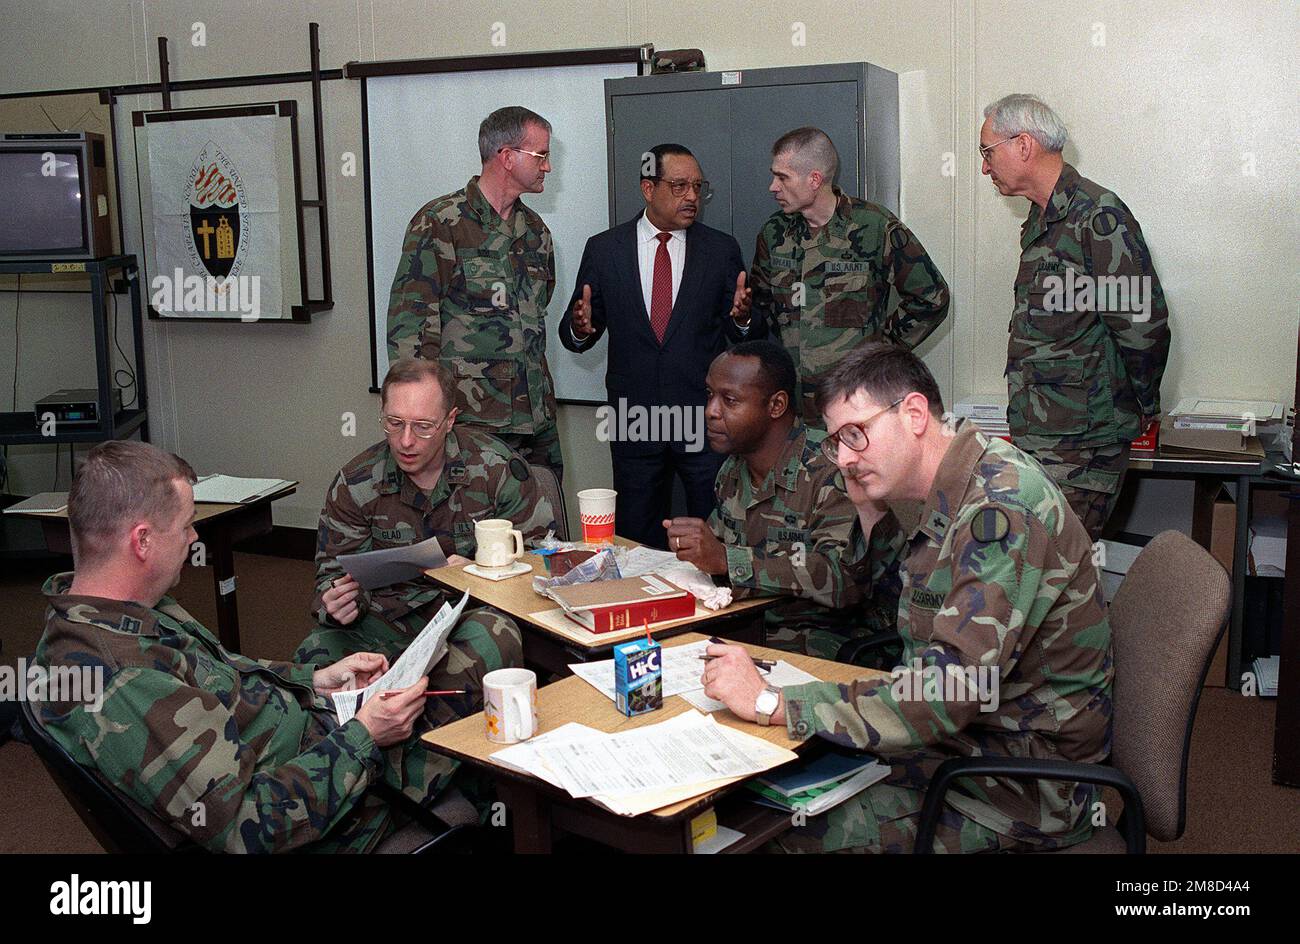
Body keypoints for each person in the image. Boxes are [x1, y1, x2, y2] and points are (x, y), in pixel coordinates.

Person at [701, 343, 1113, 853]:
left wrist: (772, 702)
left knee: (774, 837)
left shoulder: (1000, 512)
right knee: (755, 803)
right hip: (960, 745)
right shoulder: (949, 489)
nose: (844, 459)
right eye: (836, 443)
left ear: (914, 414)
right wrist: (873, 513)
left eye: (856, 435)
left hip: (1015, 788)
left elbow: (948, 692)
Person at [33, 440, 454, 853]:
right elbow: (247, 827)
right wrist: (365, 736)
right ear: (142, 541)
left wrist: (314, 682)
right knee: (468, 737)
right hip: (323, 807)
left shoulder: (111, 611)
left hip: (300, 744)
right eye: (185, 525)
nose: (194, 537)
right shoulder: (125, 680)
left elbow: (219, 671)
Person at [297, 359, 551, 726]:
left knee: (494, 638)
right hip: (386, 619)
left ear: (450, 421)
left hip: (468, 615)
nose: (405, 440)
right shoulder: (356, 483)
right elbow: (329, 575)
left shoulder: (498, 471)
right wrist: (333, 603)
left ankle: (423, 767)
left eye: (423, 426)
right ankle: (349, 754)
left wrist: (479, 575)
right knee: (313, 656)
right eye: (394, 423)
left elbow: (543, 568)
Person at [980, 93, 1171, 539]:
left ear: (1023, 145)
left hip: (1084, 444)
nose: (984, 168)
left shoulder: (1097, 216)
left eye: (988, 152)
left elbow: (1142, 326)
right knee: (1045, 572)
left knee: (1061, 574)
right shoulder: (1041, 220)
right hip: (1042, 434)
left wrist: (1138, 405)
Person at [559, 143, 751, 549]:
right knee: (635, 536)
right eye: (680, 186)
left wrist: (742, 319)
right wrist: (581, 326)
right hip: (635, 417)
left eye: (699, 187)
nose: (692, 197)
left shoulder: (720, 250)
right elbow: (576, 332)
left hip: (702, 416)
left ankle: (715, 607)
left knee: (713, 533)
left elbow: (746, 335)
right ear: (648, 189)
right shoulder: (605, 249)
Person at [663, 340, 900, 660]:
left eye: (729, 400)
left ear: (776, 406)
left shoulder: (833, 469)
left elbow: (844, 580)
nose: (711, 411)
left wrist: (727, 560)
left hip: (830, 636)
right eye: (710, 395)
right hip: (751, 623)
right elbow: (717, 554)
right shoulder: (733, 470)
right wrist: (698, 551)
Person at [387, 105, 563, 476]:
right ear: (507, 157)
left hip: (535, 421)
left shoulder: (536, 232)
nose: (547, 166)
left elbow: (535, 317)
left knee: (543, 523)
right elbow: (411, 331)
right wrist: (425, 423)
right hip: (470, 424)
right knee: (472, 530)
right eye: (541, 156)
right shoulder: (440, 223)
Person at [748, 127, 950, 425]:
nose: (772, 187)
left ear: (814, 179)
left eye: (782, 177)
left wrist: (880, 349)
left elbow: (931, 298)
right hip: (795, 412)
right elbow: (763, 306)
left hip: (857, 406)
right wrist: (744, 315)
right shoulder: (775, 233)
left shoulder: (874, 227)